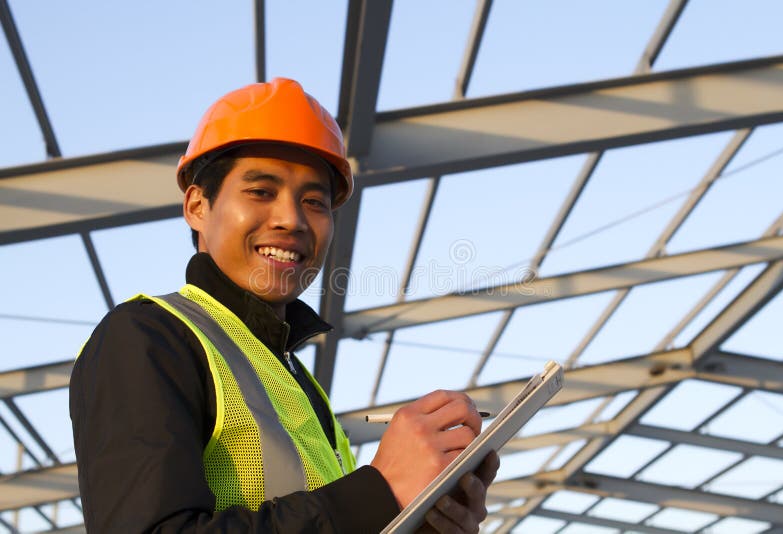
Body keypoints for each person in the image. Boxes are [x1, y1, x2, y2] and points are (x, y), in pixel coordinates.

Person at [70, 78, 499, 533]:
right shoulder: (146, 338)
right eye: (261, 191)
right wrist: (378, 489)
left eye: (314, 201)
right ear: (197, 206)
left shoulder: (298, 384)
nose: (291, 219)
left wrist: (413, 520)